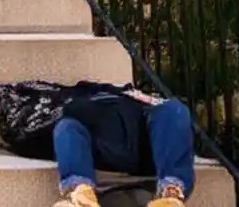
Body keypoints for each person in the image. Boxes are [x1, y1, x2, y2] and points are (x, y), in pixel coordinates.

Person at [50, 88, 194, 207]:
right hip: (103, 151)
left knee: (174, 110)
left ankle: (171, 192)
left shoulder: (138, 100)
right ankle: (80, 195)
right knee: (67, 126)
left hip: (146, 148)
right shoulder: (77, 100)